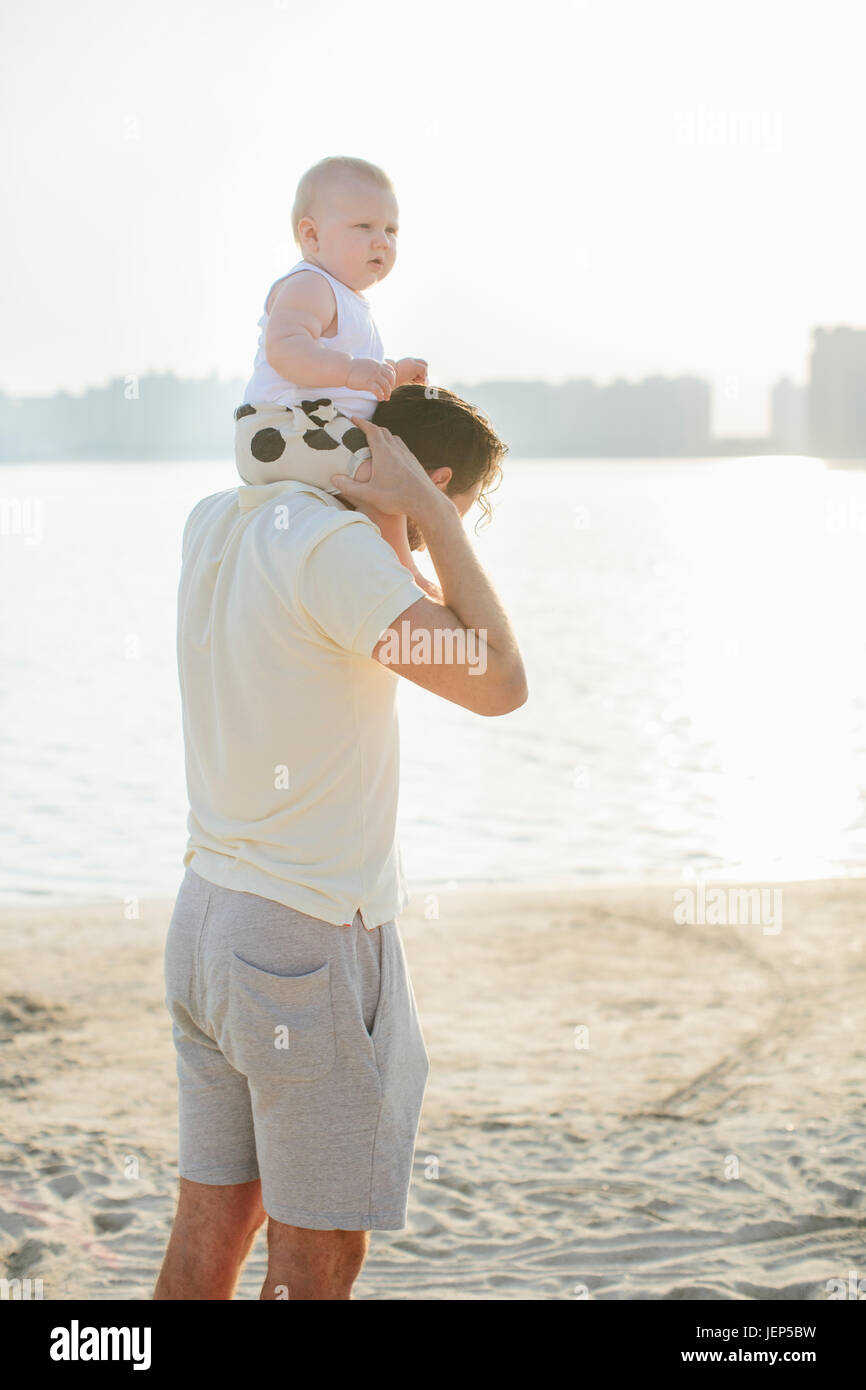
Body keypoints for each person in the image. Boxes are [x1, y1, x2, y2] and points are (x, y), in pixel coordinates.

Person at [154, 386, 528, 1301]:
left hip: (207, 918)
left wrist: (396, 508)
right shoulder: (337, 550)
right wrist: (431, 510)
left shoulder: (222, 519)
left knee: (212, 1226)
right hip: (305, 934)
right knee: (318, 1256)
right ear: (429, 479)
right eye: (462, 501)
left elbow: (408, 605)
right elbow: (499, 681)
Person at [234, 154, 431, 590]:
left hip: (312, 429)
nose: (381, 241)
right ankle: (403, 573)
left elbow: (353, 383)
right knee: (383, 478)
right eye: (364, 227)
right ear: (311, 235)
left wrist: (392, 373)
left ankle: (370, 567)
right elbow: (286, 350)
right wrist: (350, 371)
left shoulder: (347, 299)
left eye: (391, 230)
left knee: (381, 469)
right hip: (279, 431)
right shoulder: (309, 285)